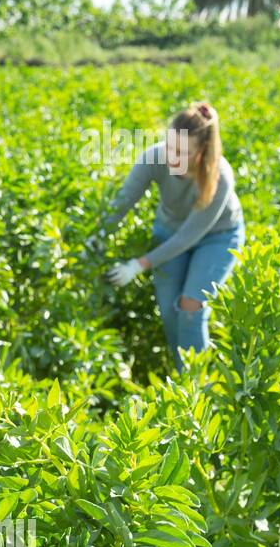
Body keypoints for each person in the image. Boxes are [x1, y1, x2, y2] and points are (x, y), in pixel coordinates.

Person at [95, 102, 246, 370]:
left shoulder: (220, 176)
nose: (172, 157)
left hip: (217, 237)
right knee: (169, 312)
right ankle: (182, 380)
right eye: (170, 146)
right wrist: (96, 236)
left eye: (182, 152)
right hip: (169, 230)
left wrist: (137, 265)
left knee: (190, 308)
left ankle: (198, 388)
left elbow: (188, 236)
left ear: (202, 152)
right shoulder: (154, 157)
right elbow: (123, 201)